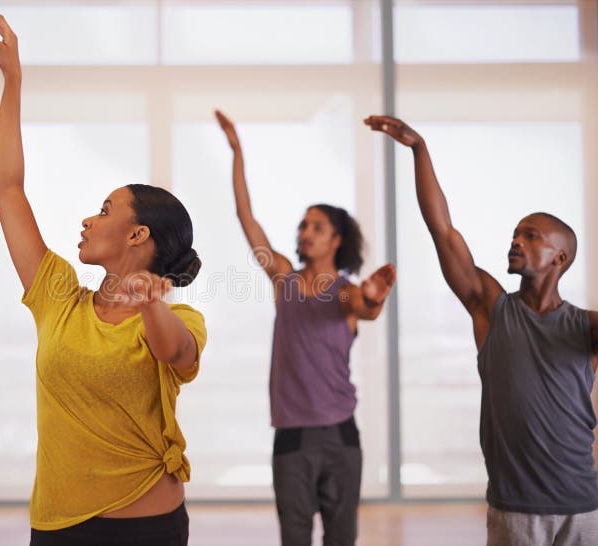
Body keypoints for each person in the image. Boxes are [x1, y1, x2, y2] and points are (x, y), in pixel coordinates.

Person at [0, 5, 207, 545]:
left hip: (148, 529)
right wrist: (13, 81)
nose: (88, 218)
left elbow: (177, 353)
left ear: (137, 235)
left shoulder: (181, 317)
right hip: (57, 526)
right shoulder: (59, 297)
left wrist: (151, 301)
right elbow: (7, 189)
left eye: (104, 210)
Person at [364, 114, 598, 546]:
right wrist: (420, 150)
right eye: (515, 234)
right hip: (515, 509)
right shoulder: (490, 306)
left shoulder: (585, 326)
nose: (516, 241)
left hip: (582, 506)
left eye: (530, 236)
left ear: (559, 258)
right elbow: (443, 232)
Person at [215, 110, 396, 546]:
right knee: (294, 537)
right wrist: (237, 152)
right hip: (292, 435)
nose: (306, 232)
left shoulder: (345, 291)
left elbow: (365, 310)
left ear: (337, 240)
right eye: (303, 225)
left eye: (317, 227)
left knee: (340, 538)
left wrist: (372, 297)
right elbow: (246, 217)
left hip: (340, 435)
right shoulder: (284, 280)